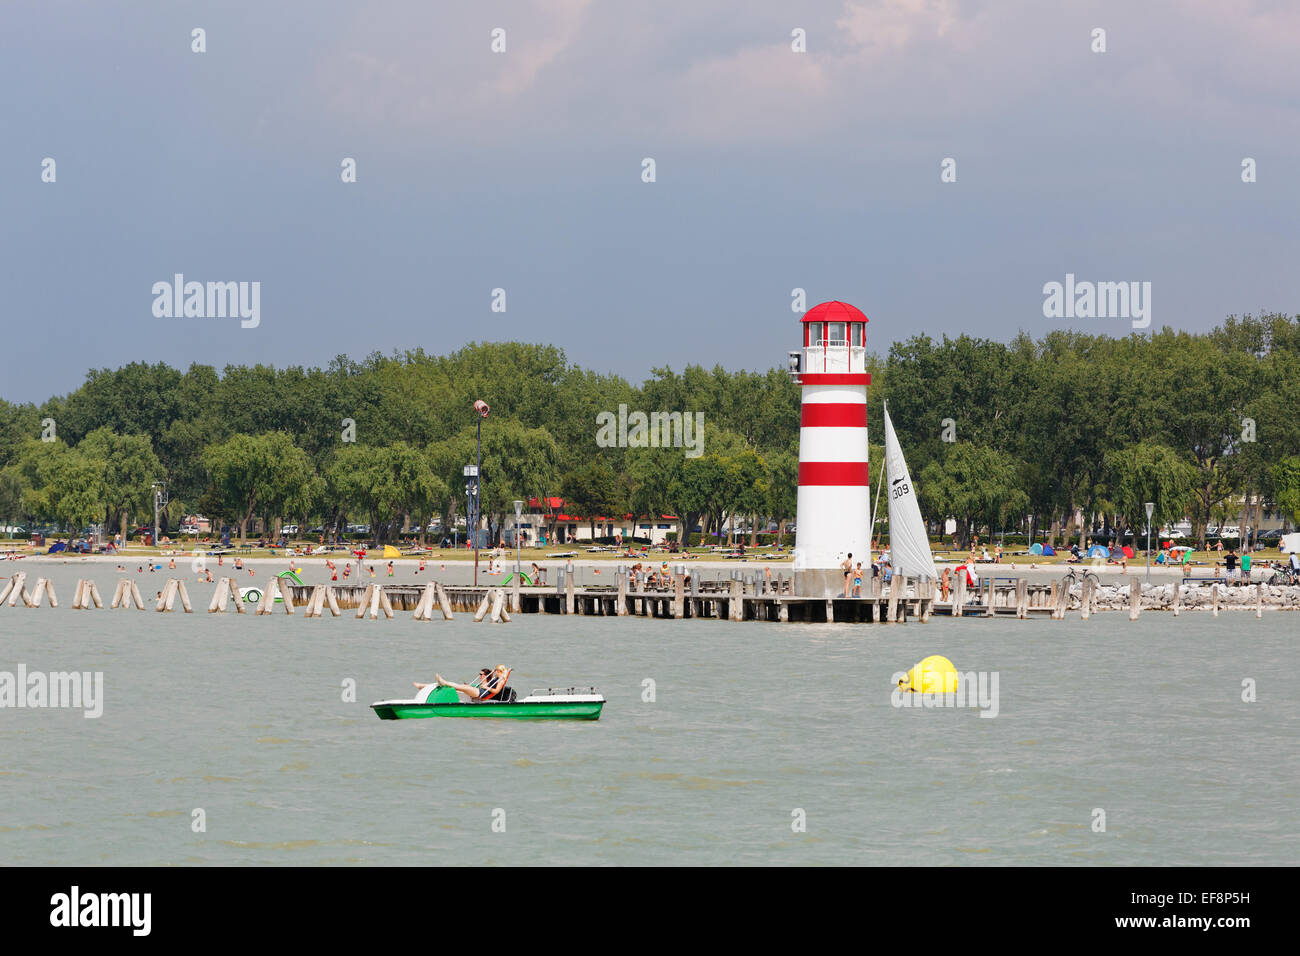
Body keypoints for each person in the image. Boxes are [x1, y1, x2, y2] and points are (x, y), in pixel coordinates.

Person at [416, 666, 509, 702]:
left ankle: (444, 682)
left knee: (461, 687)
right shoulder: (496, 679)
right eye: (496, 670)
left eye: (497, 670)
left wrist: (486, 687)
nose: (496, 672)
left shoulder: (500, 681)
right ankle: (437, 684)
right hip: (479, 691)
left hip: (480, 693)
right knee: (460, 687)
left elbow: (496, 691)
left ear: (501, 671)